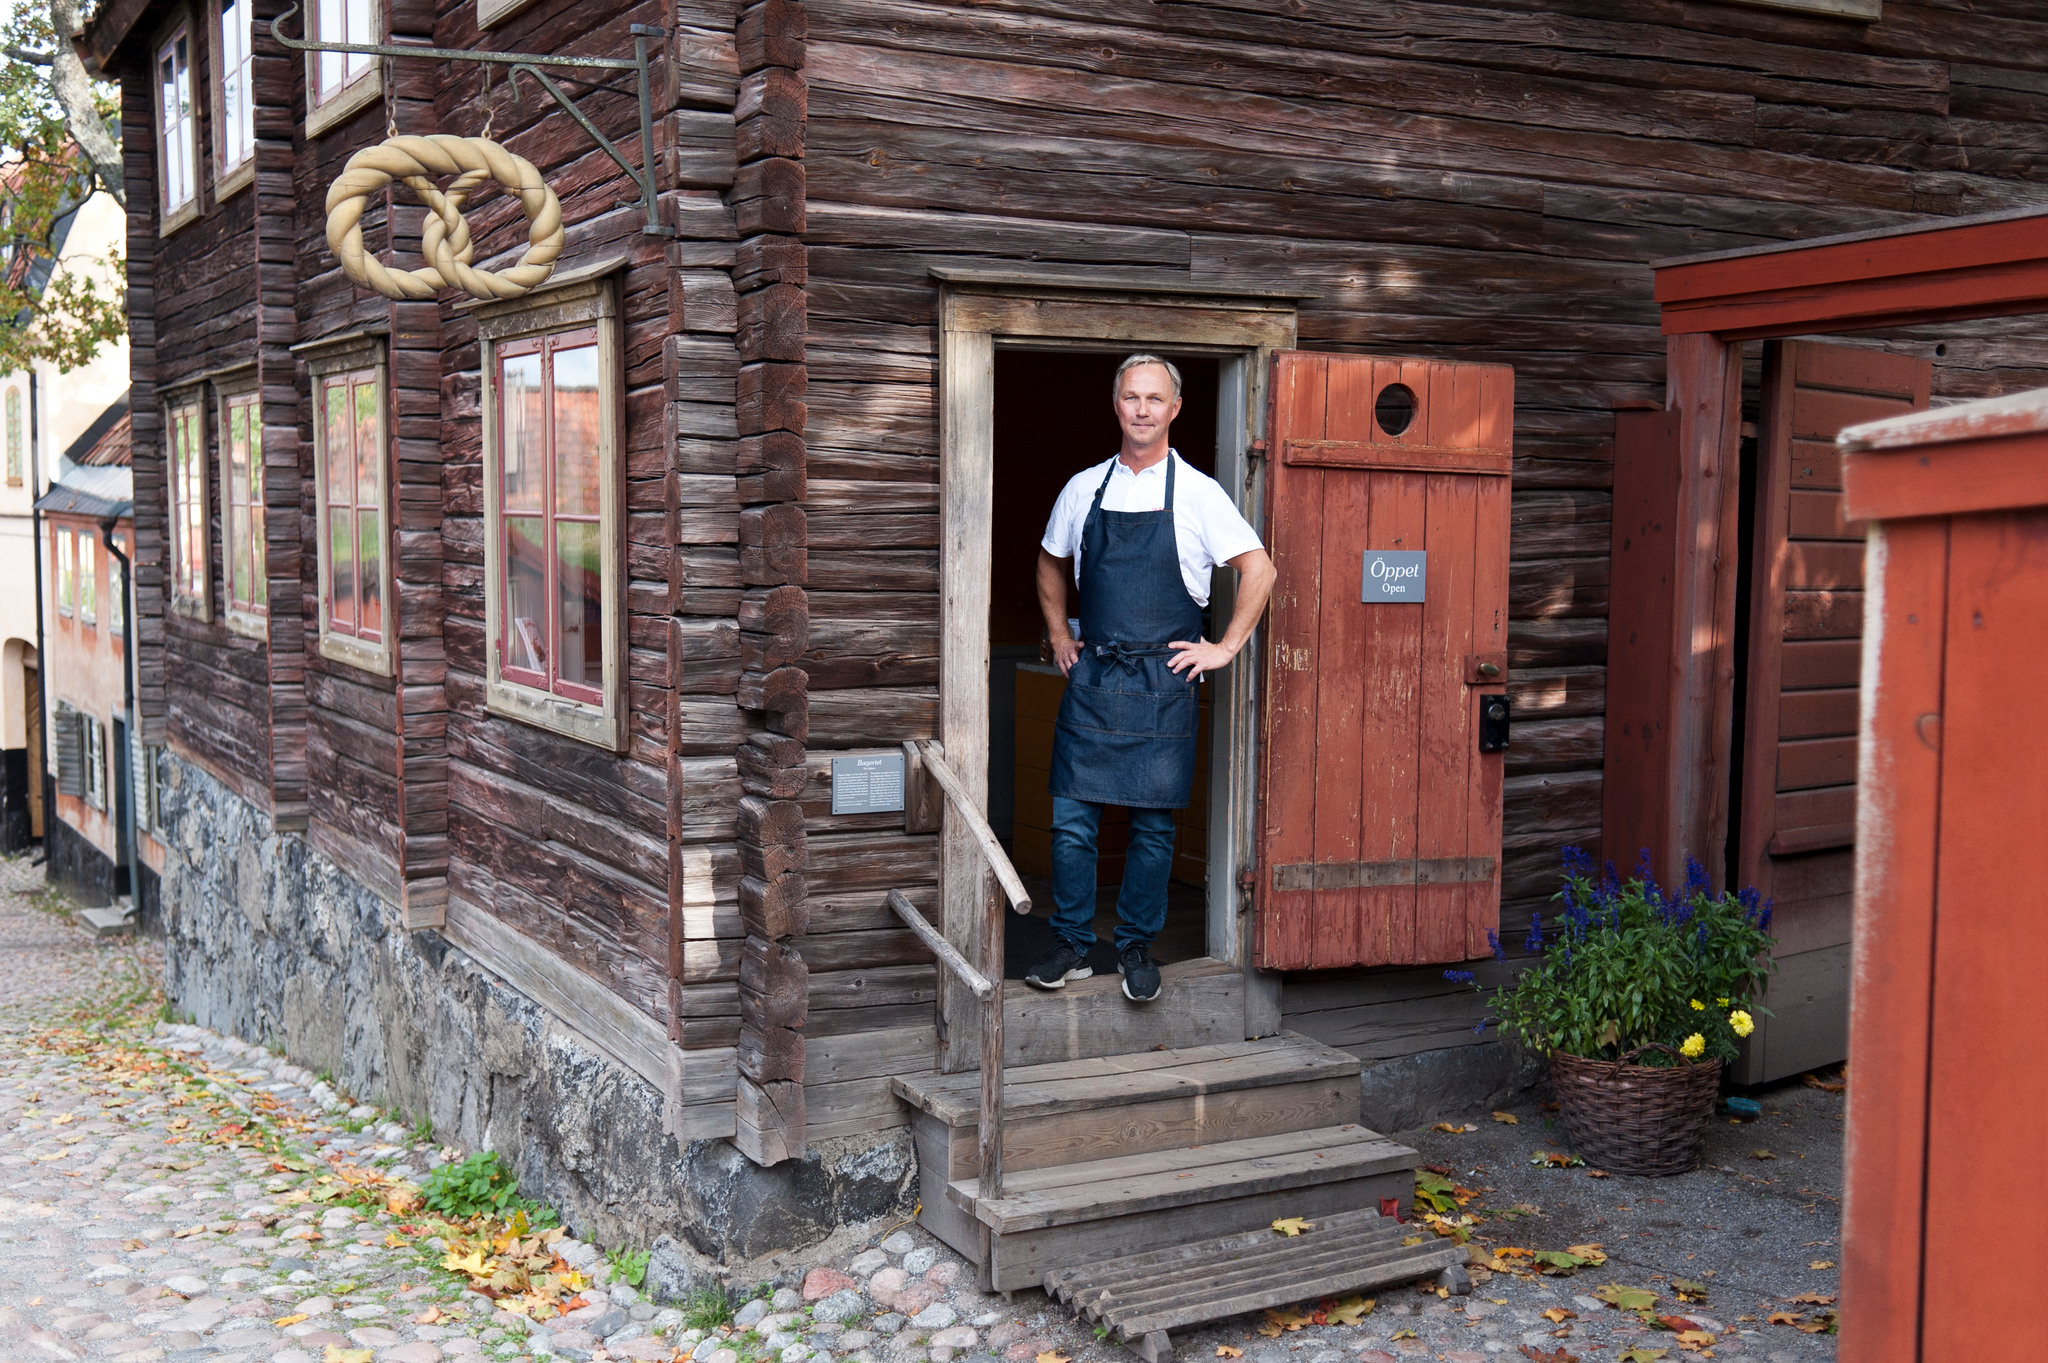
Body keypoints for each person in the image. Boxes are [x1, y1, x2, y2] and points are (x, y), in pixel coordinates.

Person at [1026, 354, 1276, 1003]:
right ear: (1117, 405)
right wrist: (1059, 632)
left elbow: (1261, 568)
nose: (1142, 409)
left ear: (1174, 409)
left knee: (1154, 829)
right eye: (1132, 397)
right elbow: (1051, 562)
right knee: (1072, 824)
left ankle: (1136, 944)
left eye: (1154, 399)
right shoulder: (1084, 489)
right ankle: (1074, 942)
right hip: (1095, 676)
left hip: (1164, 684)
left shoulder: (1197, 492)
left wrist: (1224, 646)